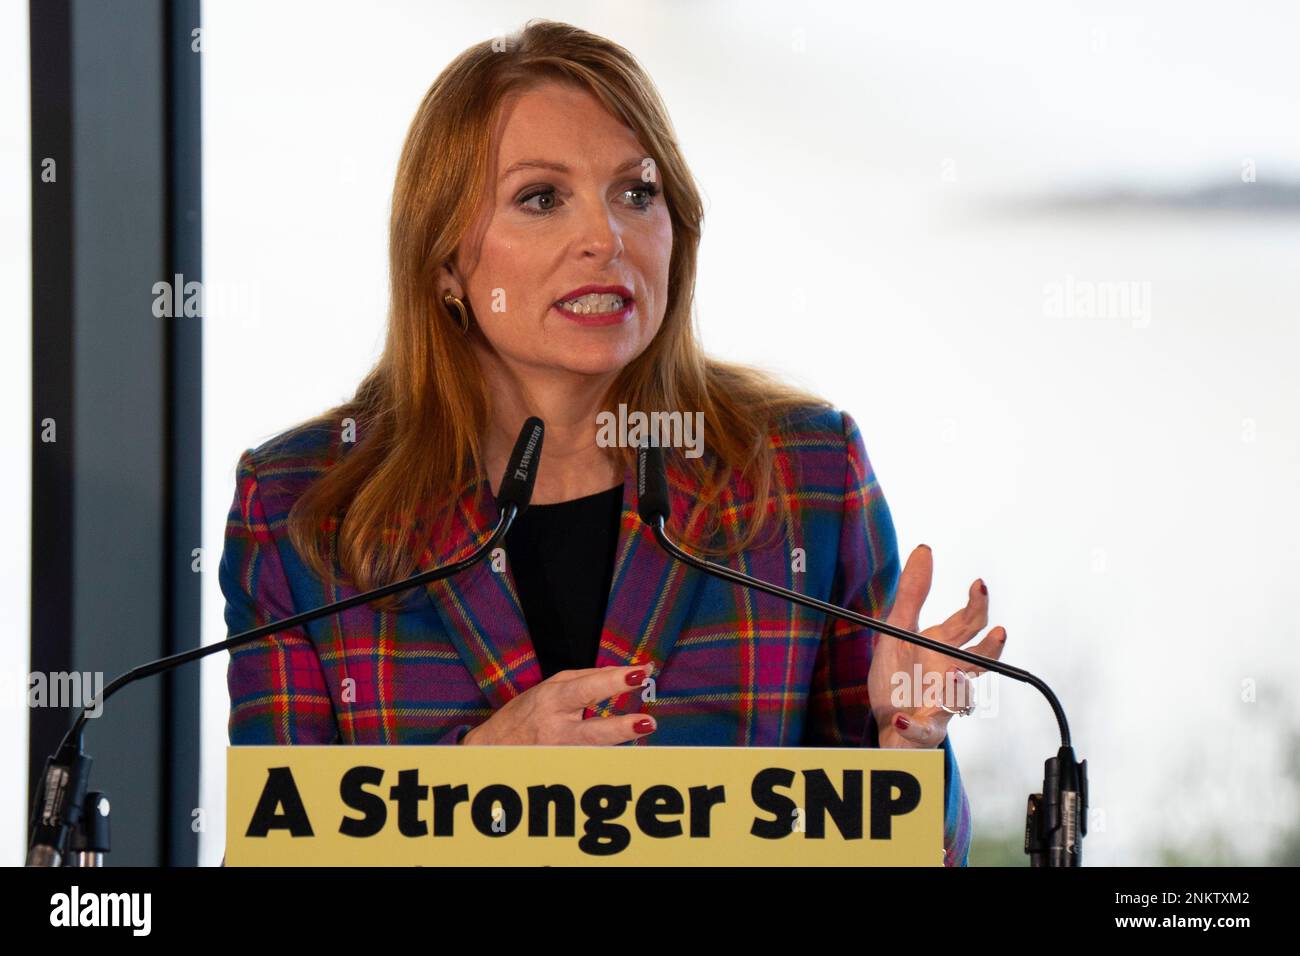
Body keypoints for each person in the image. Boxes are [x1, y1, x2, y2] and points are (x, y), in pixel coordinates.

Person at [220, 19, 1007, 867]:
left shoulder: (804, 472)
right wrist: (468, 788)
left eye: (637, 193)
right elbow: (273, 859)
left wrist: (903, 759)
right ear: (444, 262)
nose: (606, 238)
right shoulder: (303, 504)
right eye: (541, 198)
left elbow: (913, 857)